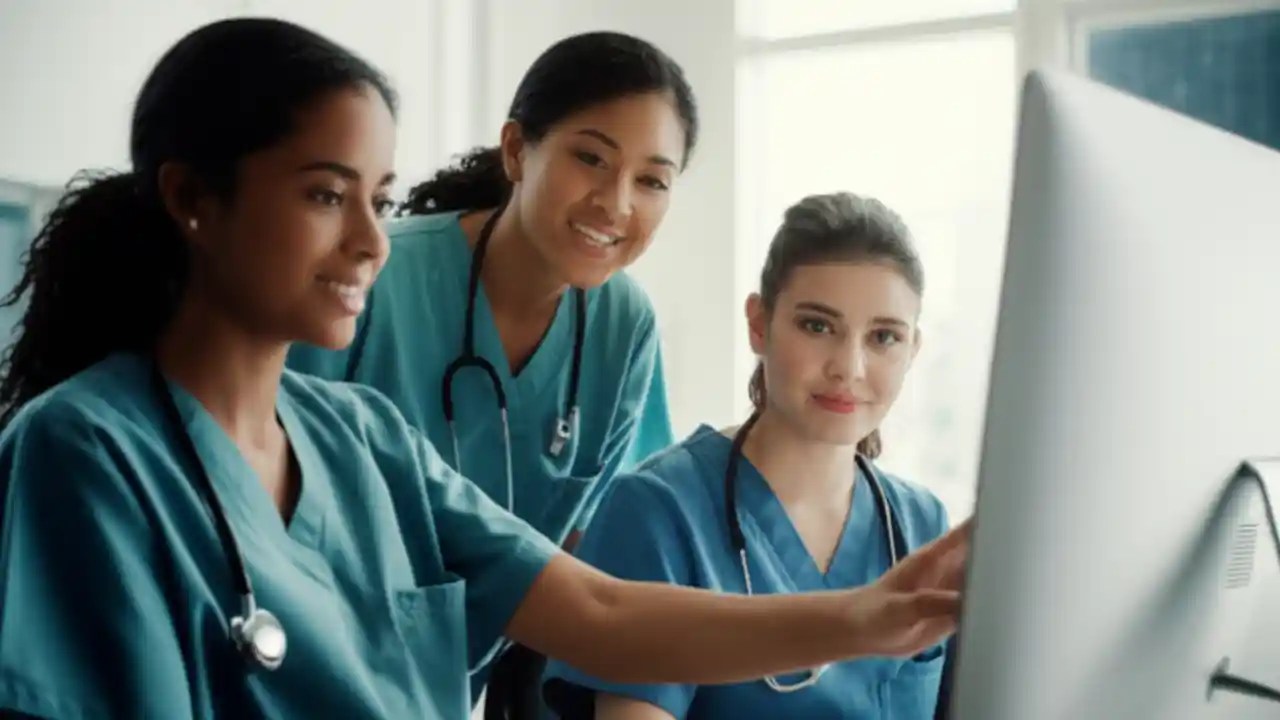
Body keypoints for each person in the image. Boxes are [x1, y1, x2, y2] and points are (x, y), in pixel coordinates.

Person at [0, 20, 967, 720]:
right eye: (328, 195)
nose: (375, 239)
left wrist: (864, 619)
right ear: (191, 198)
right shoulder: (87, 453)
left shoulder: (363, 435)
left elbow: (597, 608)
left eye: (379, 196)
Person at [283, 31, 696, 712]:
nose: (616, 203)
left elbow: (600, 549)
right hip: (305, 676)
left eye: (652, 180)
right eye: (590, 158)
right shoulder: (373, 281)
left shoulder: (624, 326)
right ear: (516, 151)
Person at [543, 193, 952, 719]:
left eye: (883, 337)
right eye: (817, 326)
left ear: (912, 350)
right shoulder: (658, 511)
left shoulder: (921, 529)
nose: (848, 367)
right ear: (759, 324)